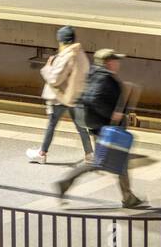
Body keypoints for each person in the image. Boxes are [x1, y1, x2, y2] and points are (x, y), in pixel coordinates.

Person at [50, 50, 144, 208]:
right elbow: (95, 99)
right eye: (115, 60)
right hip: (105, 128)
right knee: (104, 162)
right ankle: (65, 182)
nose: (118, 63)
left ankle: (128, 196)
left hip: (100, 127)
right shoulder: (103, 78)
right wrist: (113, 115)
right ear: (108, 62)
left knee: (115, 160)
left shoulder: (95, 74)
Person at [26, 25, 92, 163]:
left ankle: (42, 153)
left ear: (61, 41)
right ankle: (90, 154)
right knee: (81, 127)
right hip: (75, 97)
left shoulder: (67, 55)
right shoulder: (81, 54)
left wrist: (48, 67)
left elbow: (55, 79)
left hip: (61, 97)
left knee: (52, 124)